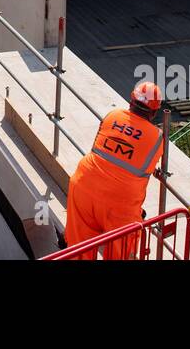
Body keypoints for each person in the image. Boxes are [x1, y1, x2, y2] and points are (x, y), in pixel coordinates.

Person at [64, 80, 165, 259]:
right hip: (120, 204)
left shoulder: (112, 115)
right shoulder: (157, 138)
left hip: (83, 186)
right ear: (155, 111)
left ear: (131, 101)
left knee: (79, 250)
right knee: (119, 254)